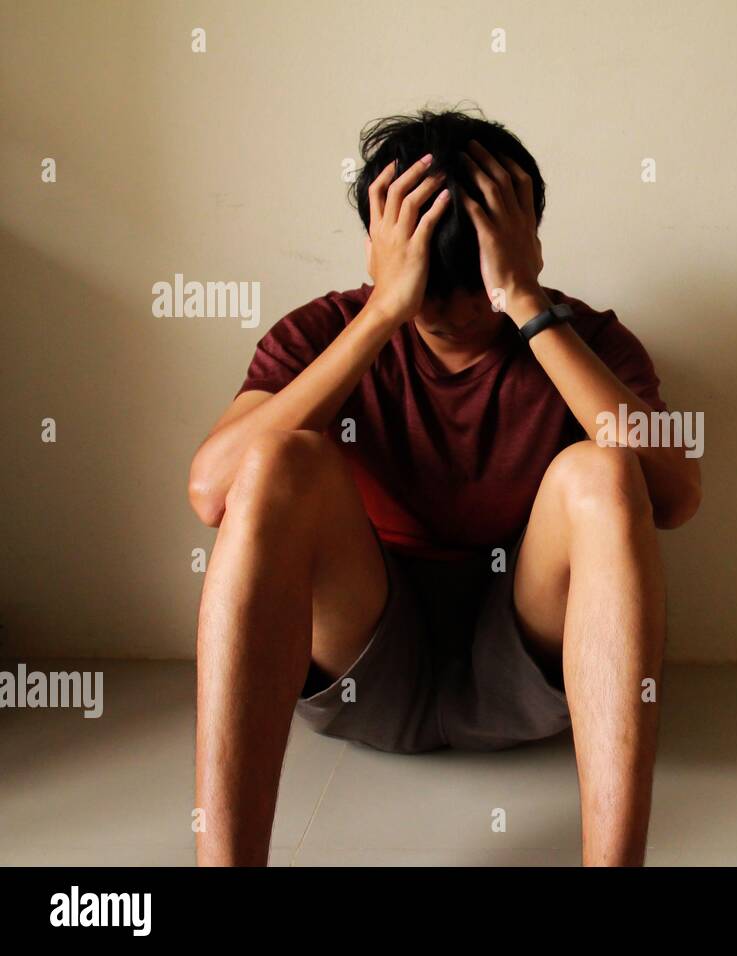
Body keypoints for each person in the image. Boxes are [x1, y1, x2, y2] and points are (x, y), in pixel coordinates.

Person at [186, 107, 702, 866]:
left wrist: (524, 303)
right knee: (275, 462)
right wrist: (381, 312)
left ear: (525, 244)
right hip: (361, 670)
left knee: (603, 470)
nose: (455, 313)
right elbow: (212, 491)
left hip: (527, 672)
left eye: (473, 287)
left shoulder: (585, 339)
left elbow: (678, 496)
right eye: (431, 288)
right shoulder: (324, 330)